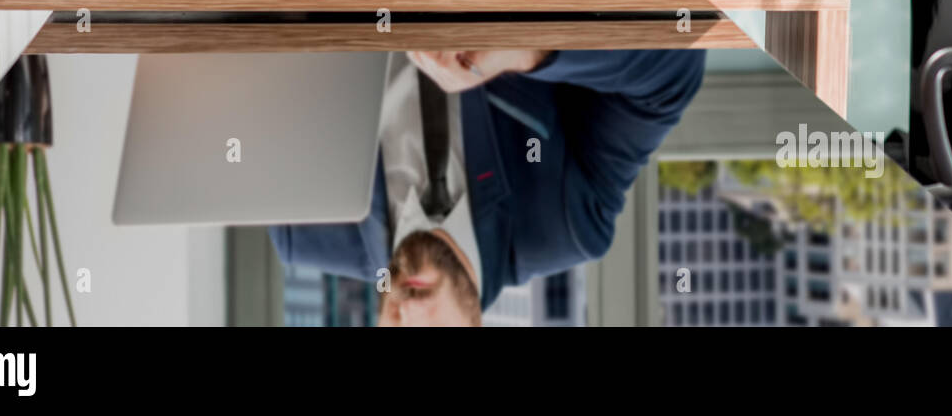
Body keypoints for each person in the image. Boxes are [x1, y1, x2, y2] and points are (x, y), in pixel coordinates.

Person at [268, 47, 707, 326]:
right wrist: (531, 53)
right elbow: (676, 65)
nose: (408, 313)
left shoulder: (308, 230)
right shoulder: (564, 223)